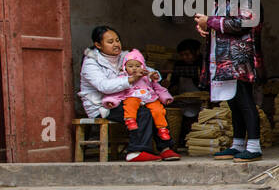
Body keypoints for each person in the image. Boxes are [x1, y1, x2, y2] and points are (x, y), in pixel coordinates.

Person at [78, 25, 179, 161]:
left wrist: (152, 74)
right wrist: (131, 79)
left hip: (128, 98)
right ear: (98, 45)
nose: (116, 44)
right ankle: (135, 151)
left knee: (155, 107)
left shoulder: (125, 57)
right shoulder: (91, 63)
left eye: (117, 40)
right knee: (142, 112)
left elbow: (147, 69)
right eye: (110, 42)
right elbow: (104, 87)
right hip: (103, 104)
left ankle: (165, 148)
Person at [196, 0, 263, 161]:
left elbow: (240, 24)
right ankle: (238, 144)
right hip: (224, 61)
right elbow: (215, 24)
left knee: (245, 101)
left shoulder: (250, 2)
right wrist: (203, 26)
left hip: (240, 60)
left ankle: (254, 146)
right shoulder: (220, 4)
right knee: (233, 103)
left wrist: (210, 21)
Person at [101, 50, 176, 147]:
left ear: (143, 67)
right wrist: (111, 101)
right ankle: (130, 120)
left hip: (149, 98)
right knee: (130, 104)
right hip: (132, 97)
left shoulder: (147, 78)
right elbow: (117, 92)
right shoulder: (123, 78)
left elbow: (159, 89)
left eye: (137, 66)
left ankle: (162, 129)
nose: (134, 69)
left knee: (158, 110)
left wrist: (166, 98)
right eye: (130, 66)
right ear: (125, 67)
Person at [166, 38, 203, 139]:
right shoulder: (178, 65)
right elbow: (173, 83)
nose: (185, 58)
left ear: (196, 52)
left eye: (187, 54)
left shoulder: (203, 63)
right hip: (182, 101)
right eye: (182, 55)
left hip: (200, 102)